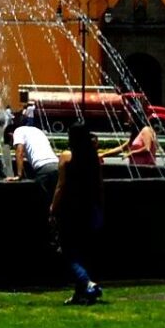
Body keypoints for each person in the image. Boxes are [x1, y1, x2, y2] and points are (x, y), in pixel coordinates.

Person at [51, 124, 105, 305]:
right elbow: (99, 185)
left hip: (70, 208)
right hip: (88, 208)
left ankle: (87, 283)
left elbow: (61, 185)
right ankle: (79, 294)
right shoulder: (93, 158)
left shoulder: (67, 157)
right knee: (82, 251)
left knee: (67, 252)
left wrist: (53, 207)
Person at [7, 114, 59, 199]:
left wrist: (19, 175)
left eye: (12, 144)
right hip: (57, 165)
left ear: (10, 135)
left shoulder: (17, 131)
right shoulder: (36, 130)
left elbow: (19, 152)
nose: (13, 146)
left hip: (44, 169)